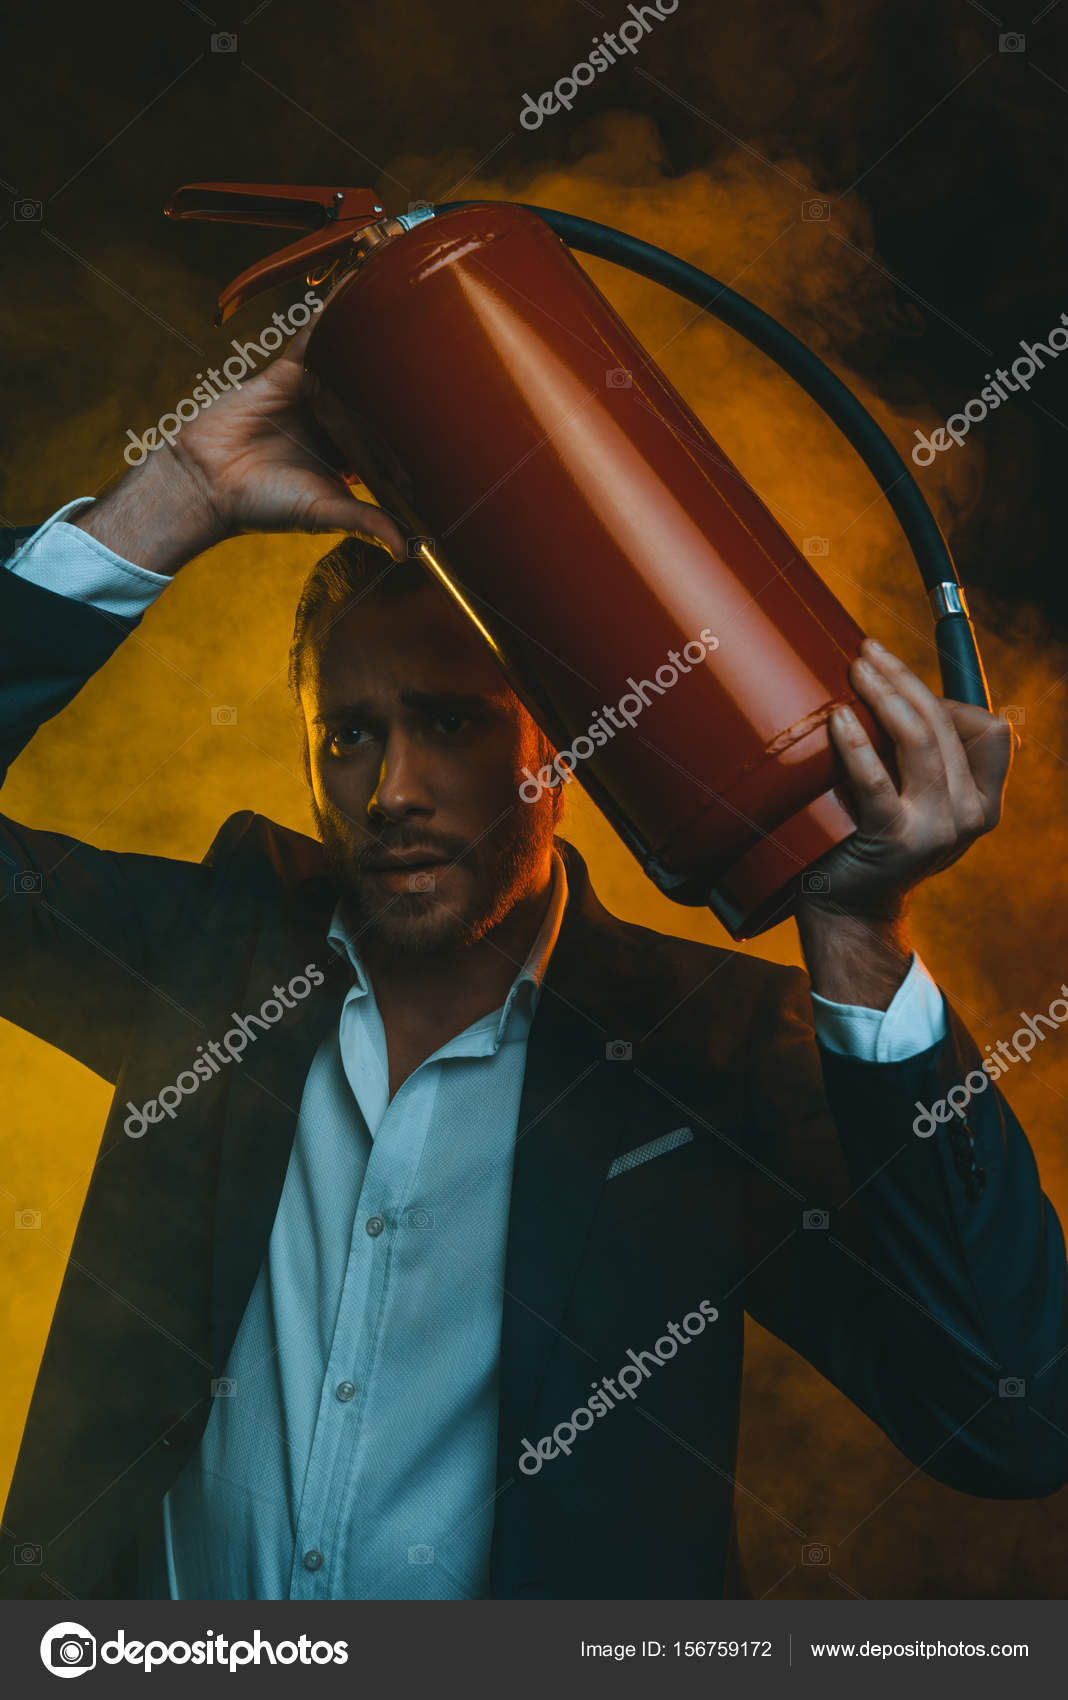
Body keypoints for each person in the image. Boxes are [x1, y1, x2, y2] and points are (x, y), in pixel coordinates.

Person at [1, 327, 1065, 1604]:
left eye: (450, 723)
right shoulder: (212, 949)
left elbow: (1010, 1419)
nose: (390, 790)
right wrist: (171, 493)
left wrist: (860, 936)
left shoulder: (704, 1054)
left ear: (566, 747)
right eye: (348, 737)